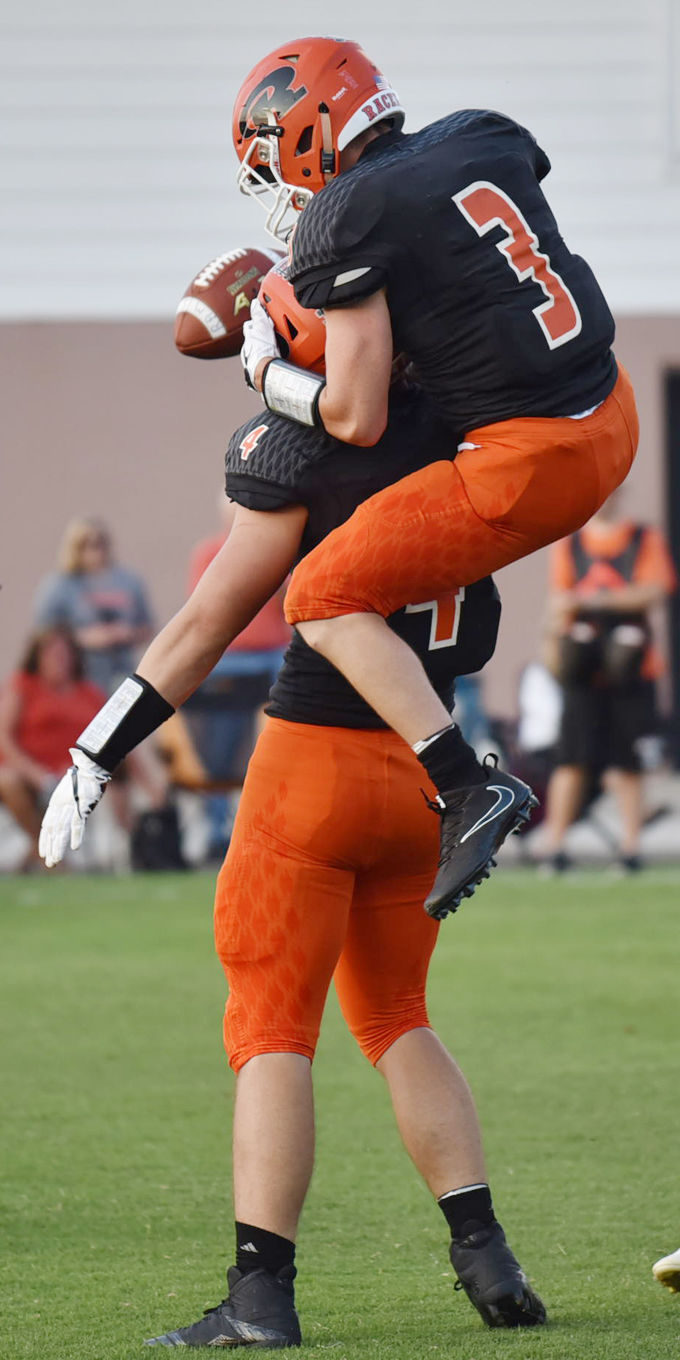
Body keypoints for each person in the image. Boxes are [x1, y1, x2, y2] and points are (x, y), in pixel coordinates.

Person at [39, 275, 545, 1345]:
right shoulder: (466, 427)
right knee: (396, 1016)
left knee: (273, 1026)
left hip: (310, 763)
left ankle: (260, 1293)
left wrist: (97, 748)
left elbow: (209, 619)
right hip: (427, 766)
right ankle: (486, 1256)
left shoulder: (292, 448)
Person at [233, 35, 639, 921]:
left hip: (533, 463)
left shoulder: (346, 214)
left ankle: (467, 785)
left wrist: (266, 371)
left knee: (321, 594)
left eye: (275, 159)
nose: (284, 186)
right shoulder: (480, 131)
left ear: (310, 131)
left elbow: (354, 415)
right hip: (612, 409)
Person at [541, 493, 676, 870]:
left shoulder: (641, 538)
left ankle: (631, 847)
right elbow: (558, 603)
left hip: (631, 666)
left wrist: (593, 603)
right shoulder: (572, 543)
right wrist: (553, 649)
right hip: (582, 666)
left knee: (626, 759)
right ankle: (554, 847)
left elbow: (652, 591)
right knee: (571, 758)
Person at [0, 626, 107, 868]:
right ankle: (47, 855)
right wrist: (37, 775)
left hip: (76, 773)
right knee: (8, 780)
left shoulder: (89, 692)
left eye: (64, 653)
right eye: (52, 653)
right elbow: (4, 737)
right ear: (38, 657)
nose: (59, 659)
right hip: (29, 774)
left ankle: (132, 844)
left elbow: (107, 738)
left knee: (122, 770)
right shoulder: (23, 685)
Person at [34, 517, 153, 694]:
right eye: (87, 544)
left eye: (100, 543)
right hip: (78, 676)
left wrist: (126, 634)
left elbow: (147, 627)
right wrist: (84, 638)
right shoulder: (60, 586)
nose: (96, 550)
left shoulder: (128, 582)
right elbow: (43, 633)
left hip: (121, 674)